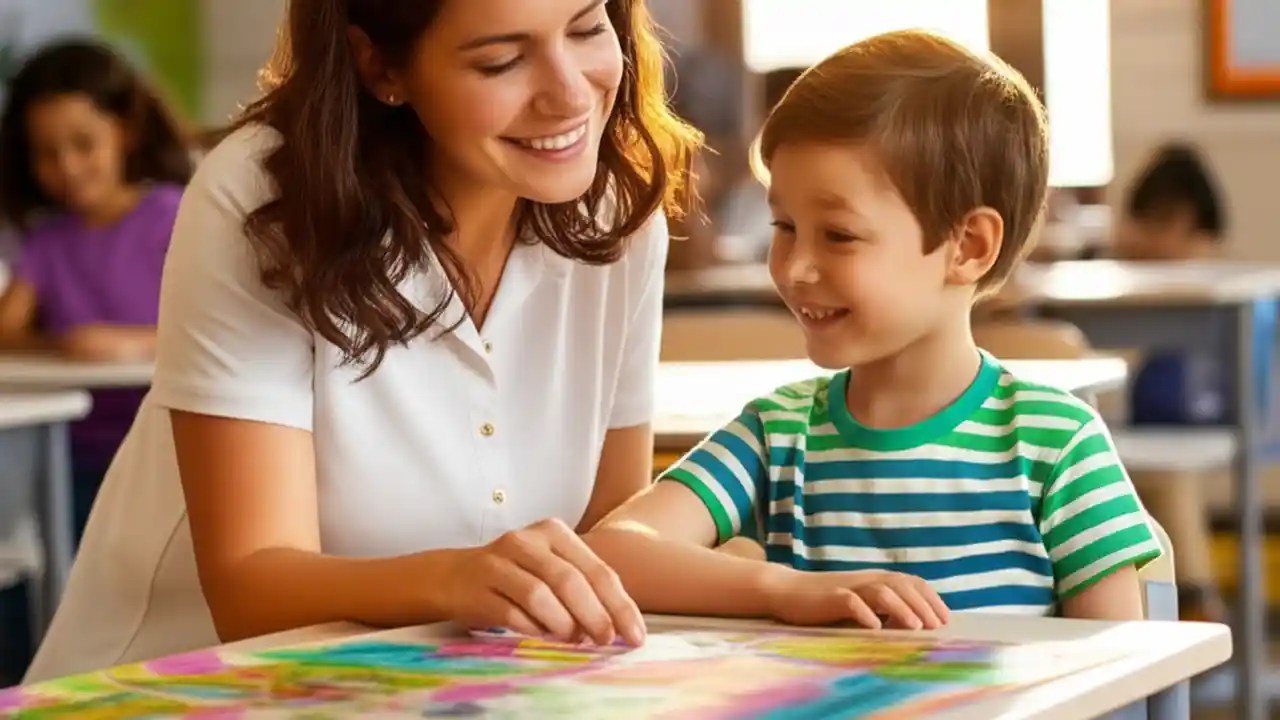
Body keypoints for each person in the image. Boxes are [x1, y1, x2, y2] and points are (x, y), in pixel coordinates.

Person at [25, 0, 700, 682]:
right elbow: (249, 590)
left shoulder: (617, 206)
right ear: (380, 64)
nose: (569, 93)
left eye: (588, 28)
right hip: (173, 686)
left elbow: (605, 540)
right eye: (502, 60)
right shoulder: (266, 202)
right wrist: (455, 581)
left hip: (441, 687)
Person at [584, 30, 1163, 627]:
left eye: (838, 235)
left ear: (968, 246)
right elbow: (615, 553)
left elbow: (1117, 677)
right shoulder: (777, 436)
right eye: (784, 226)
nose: (795, 267)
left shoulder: (1056, 444)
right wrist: (784, 590)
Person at [0, 40, 193, 541]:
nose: (66, 167)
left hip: (167, 453)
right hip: (73, 455)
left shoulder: (173, 215)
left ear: (125, 131)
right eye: (46, 153)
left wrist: (136, 344)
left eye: (83, 144)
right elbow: (6, 331)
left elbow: (220, 325)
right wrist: (63, 347)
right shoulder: (48, 239)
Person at [1114, 142, 1230, 622]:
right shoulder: (1150, 276)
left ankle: (1196, 600)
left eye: (1162, 220)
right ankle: (1193, 599)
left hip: (1195, 420)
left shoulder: (1196, 277)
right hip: (1160, 423)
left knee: (1164, 471)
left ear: (1185, 220)